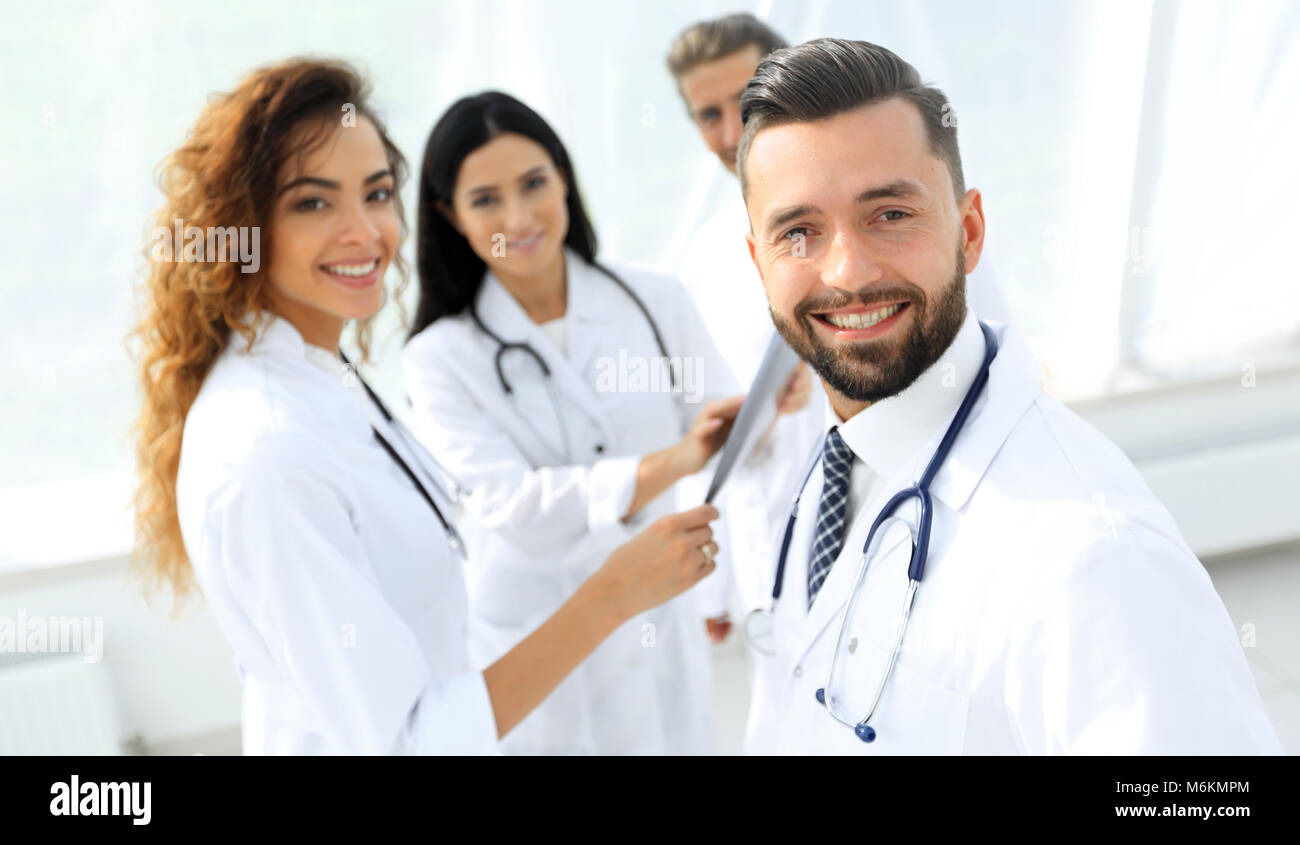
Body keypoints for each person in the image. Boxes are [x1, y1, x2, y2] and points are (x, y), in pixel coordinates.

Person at [130, 58, 720, 755]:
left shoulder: (321, 375)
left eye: (376, 193)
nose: (364, 231)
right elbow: (409, 739)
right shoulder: (271, 450)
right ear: (243, 225)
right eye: (313, 202)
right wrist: (612, 595)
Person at [736, 38, 1282, 754]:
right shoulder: (839, 461)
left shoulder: (1092, 556)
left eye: (890, 214)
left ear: (969, 232)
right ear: (758, 261)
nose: (848, 271)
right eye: (799, 232)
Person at [401, 92, 742, 754]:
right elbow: (519, 509)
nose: (519, 216)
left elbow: (727, 428)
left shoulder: (654, 299)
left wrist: (763, 410)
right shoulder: (439, 359)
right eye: (486, 199)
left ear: (563, 175)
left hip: (658, 624)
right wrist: (677, 458)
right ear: (450, 216)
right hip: (539, 642)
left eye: (534, 183)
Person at [666, 12, 822, 749]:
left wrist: (819, 385)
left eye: (747, 98)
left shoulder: (884, 205)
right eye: (707, 114)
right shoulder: (701, 260)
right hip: (768, 563)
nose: (732, 130)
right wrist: (714, 584)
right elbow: (703, 419)